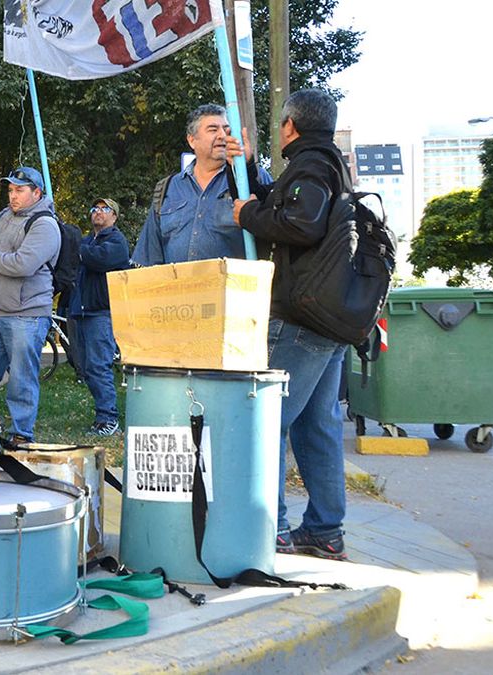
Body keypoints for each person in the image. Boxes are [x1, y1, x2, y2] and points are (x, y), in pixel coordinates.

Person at [234, 89, 351, 561]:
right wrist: (254, 174)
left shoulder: (309, 164)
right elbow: (298, 211)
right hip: (332, 317)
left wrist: (247, 214)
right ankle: (324, 531)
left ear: (290, 125)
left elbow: (300, 225)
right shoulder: (331, 164)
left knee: (266, 422)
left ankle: (273, 528)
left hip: (302, 317)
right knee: (315, 428)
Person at [0, 166, 60, 444]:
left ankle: (21, 434)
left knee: (21, 379)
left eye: (19, 190)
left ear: (36, 192)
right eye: (10, 190)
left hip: (26, 316)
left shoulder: (45, 225)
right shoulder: (5, 215)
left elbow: (22, 264)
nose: (13, 196)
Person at [132, 103, 271, 266]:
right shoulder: (166, 188)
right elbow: (149, 257)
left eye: (226, 130)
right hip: (177, 289)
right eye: (213, 129)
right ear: (192, 140)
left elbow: (274, 230)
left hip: (235, 289)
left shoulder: (251, 179)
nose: (222, 135)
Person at [69, 197, 130, 436]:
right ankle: (101, 416)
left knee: (98, 366)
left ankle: (109, 418)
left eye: (105, 209)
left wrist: (79, 251)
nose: (98, 212)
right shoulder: (87, 241)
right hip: (80, 311)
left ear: (114, 216)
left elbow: (99, 259)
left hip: (102, 313)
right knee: (85, 368)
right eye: (95, 208)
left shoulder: (116, 241)